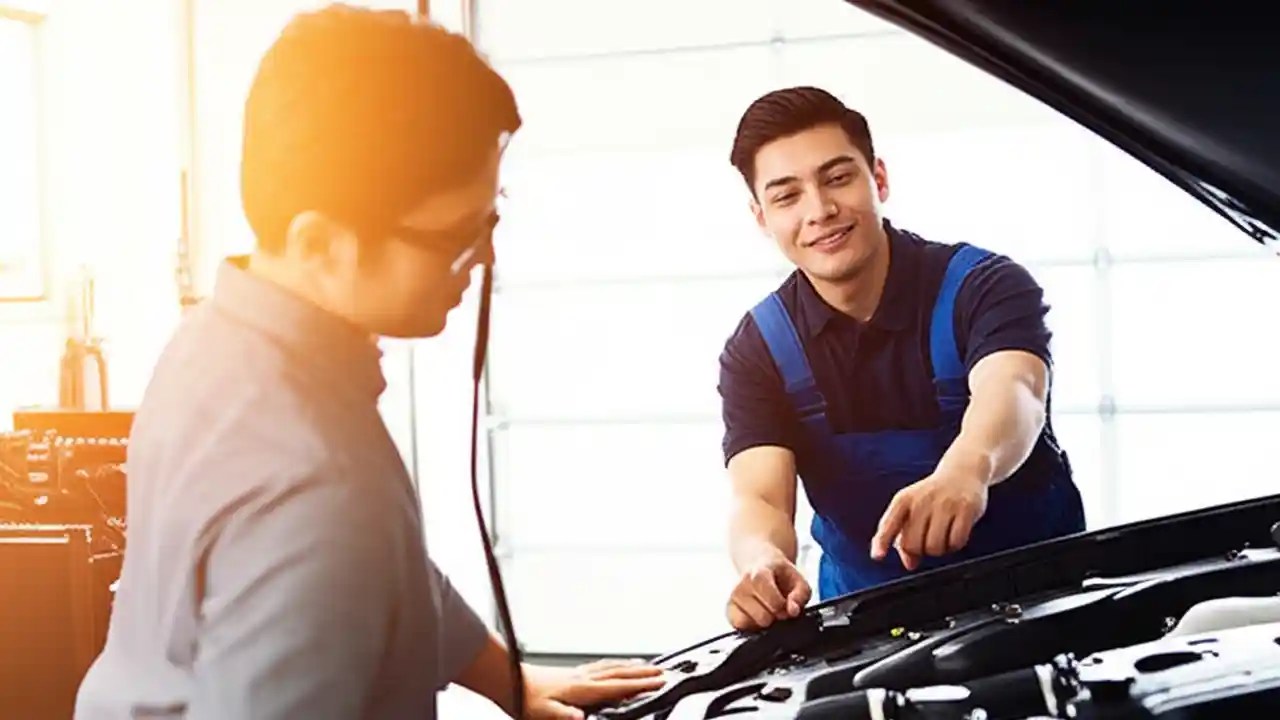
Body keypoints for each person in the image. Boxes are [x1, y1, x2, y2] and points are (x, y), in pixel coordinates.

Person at [74, 6, 665, 719]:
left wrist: (509, 678)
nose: (484, 258)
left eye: (492, 215)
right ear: (321, 244)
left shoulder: (214, 340)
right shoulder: (317, 486)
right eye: (455, 236)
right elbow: (338, 543)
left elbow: (386, 568)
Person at [718, 86, 1086, 631]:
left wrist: (967, 470)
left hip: (1040, 603)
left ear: (879, 179)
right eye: (787, 196)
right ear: (761, 216)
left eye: (838, 178)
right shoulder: (758, 348)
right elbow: (761, 499)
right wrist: (761, 561)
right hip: (868, 628)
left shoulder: (982, 287)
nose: (819, 211)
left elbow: (1017, 391)